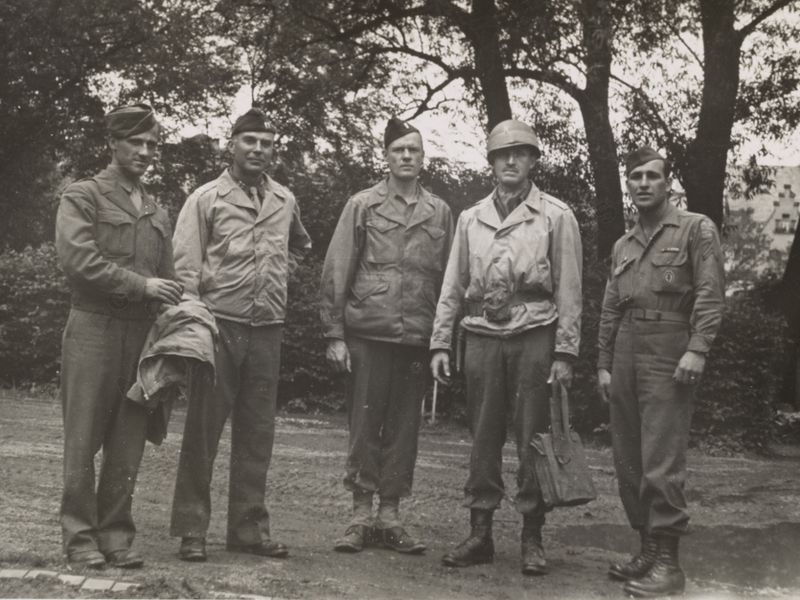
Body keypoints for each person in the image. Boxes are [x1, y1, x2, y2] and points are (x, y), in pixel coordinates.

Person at [430, 118, 582, 575]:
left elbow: (571, 290)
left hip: (534, 333)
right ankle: (480, 534)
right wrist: (440, 341)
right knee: (482, 435)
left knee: (533, 437)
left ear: (534, 160)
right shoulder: (471, 217)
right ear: (491, 163)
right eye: (502, 154)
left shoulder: (556, 215)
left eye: (520, 153)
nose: (511, 160)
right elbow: (452, 284)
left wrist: (565, 352)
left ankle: (532, 537)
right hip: (480, 335)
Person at [169, 108, 311, 562]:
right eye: (249, 141)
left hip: (267, 329)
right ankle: (192, 530)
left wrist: (279, 274)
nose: (258, 149)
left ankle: (249, 530)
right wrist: (194, 324)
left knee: (257, 435)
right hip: (218, 327)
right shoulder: (206, 199)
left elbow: (299, 246)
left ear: (274, 150)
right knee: (203, 433)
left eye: (267, 143)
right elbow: (185, 269)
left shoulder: (284, 200)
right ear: (230, 145)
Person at [56, 104, 181, 570]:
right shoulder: (82, 195)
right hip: (93, 328)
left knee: (128, 439)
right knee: (83, 438)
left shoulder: (156, 209)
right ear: (113, 142)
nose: (147, 152)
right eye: (137, 142)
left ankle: (115, 535)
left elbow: (166, 276)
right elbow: (78, 262)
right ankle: (80, 538)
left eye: (153, 144)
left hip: (141, 337)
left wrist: (180, 308)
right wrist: (142, 286)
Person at [320, 117, 453, 554]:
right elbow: (337, 270)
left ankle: (390, 516)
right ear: (386, 157)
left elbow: (451, 280)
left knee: (404, 429)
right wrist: (334, 334)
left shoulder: (439, 212)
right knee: (365, 425)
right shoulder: (363, 205)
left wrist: (442, 340)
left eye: (413, 150)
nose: (407, 157)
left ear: (423, 157)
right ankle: (360, 516)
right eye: (399, 150)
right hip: (368, 333)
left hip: (416, 337)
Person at [597, 147, 724, 597]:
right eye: (636, 177)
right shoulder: (624, 244)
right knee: (628, 458)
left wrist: (698, 349)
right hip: (628, 348)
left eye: (653, 176)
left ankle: (670, 566)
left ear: (668, 183)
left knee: (661, 458)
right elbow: (611, 307)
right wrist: (604, 363)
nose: (644, 183)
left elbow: (709, 295)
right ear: (628, 185)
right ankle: (648, 550)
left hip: (670, 347)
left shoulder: (695, 228)